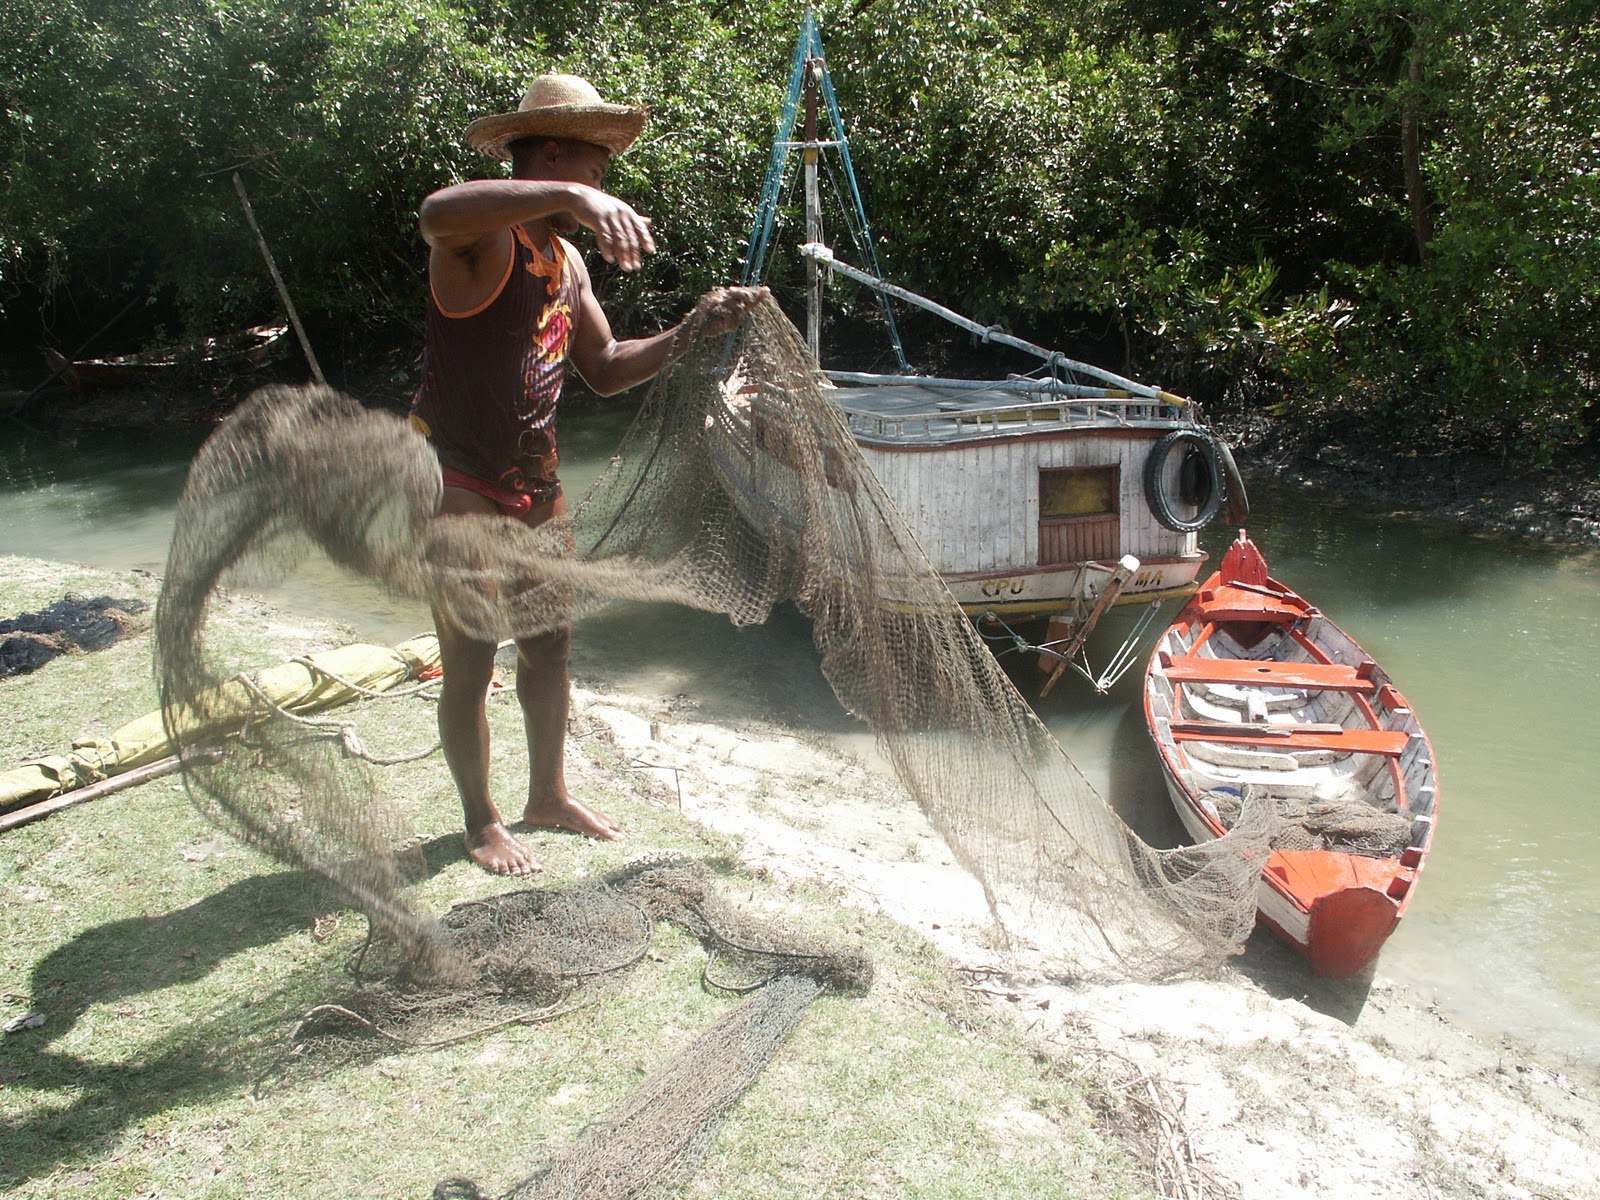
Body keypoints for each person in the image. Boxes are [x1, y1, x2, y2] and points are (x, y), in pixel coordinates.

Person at [410, 74, 765, 876]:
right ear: (548, 153)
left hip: (535, 479)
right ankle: (480, 821)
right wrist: (575, 194)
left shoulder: (566, 259)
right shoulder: (480, 238)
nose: (603, 176)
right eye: (591, 163)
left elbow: (604, 367)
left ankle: (548, 795)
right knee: (472, 656)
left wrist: (692, 329)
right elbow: (434, 212)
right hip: (455, 476)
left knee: (550, 647)